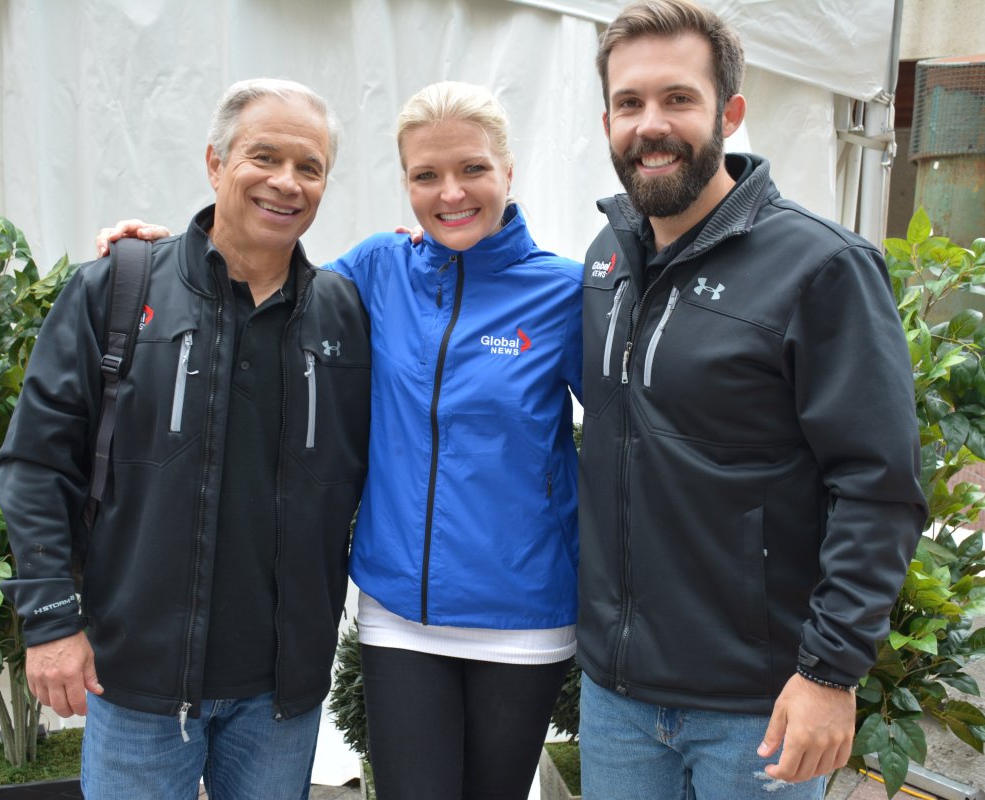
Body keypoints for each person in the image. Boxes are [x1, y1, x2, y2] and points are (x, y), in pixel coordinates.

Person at [99, 81, 583, 800]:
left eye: (473, 169)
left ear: (508, 172)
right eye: (426, 174)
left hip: (523, 615)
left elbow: (632, 432)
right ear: (406, 183)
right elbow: (263, 286)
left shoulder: (566, 294)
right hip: (398, 616)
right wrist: (162, 256)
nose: (451, 193)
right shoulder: (376, 269)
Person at [574, 1, 927, 797]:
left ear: (729, 113)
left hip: (757, 709)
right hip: (617, 698)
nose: (650, 124)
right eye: (629, 103)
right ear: (607, 122)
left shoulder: (822, 268)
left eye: (678, 98)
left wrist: (830, 672)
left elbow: (879, 488)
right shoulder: (607, 258)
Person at [0, 78, 371, 800]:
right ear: (215, 162)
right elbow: (35, 465)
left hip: (281, 692)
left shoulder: (344, 312)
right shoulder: (117, 288)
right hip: (136, 678)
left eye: (310, 167)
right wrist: (49, 623)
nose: (287, 182)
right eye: (265, 157)